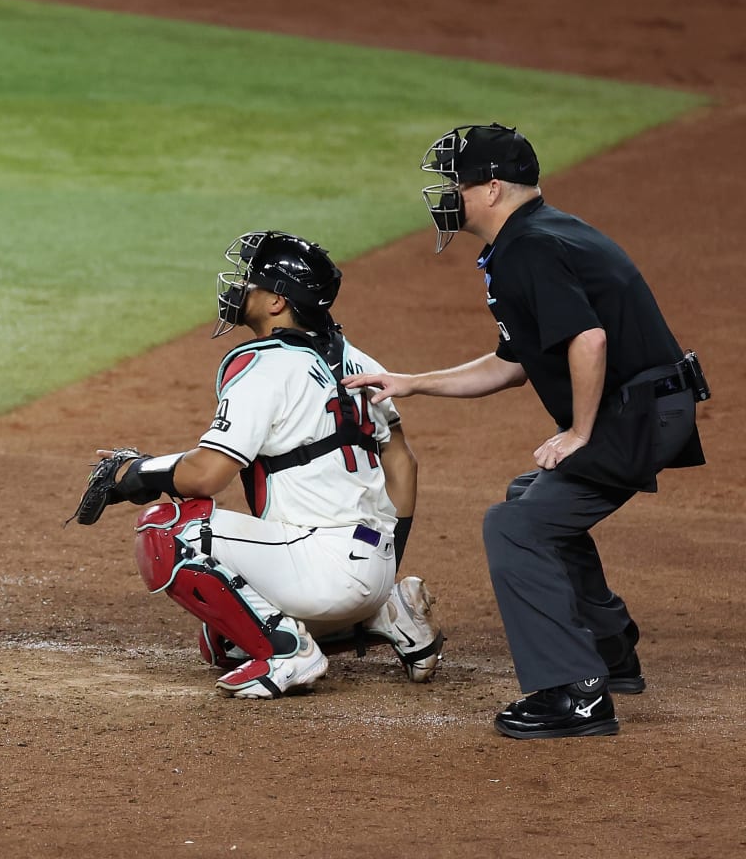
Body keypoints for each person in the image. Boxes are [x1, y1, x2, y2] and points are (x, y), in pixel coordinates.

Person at [346, 123, 707, 739]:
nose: (447, 196)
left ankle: (575, 694)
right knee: (530, 502)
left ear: (490, 188)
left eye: (455, 185)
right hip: (649, 404)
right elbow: (512, 363)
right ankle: (609, 650)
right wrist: (413, 381)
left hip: (637, 411)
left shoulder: (529, 248)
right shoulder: (538, 234)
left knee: (515, 527)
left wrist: (580, 433)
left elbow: (588, 339)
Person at [81, 230, 443, 699]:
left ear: (276, 302)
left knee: (167, 531)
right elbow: (403, 464)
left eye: (250, 281)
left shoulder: (267, 365)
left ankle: (286, 652)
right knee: (224, 641)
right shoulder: (359, 360)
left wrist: (137, 473)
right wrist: (384, 562)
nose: (237, 288)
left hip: (322, 567)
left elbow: (207, 475)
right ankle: (389, 613)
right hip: (368, 567)